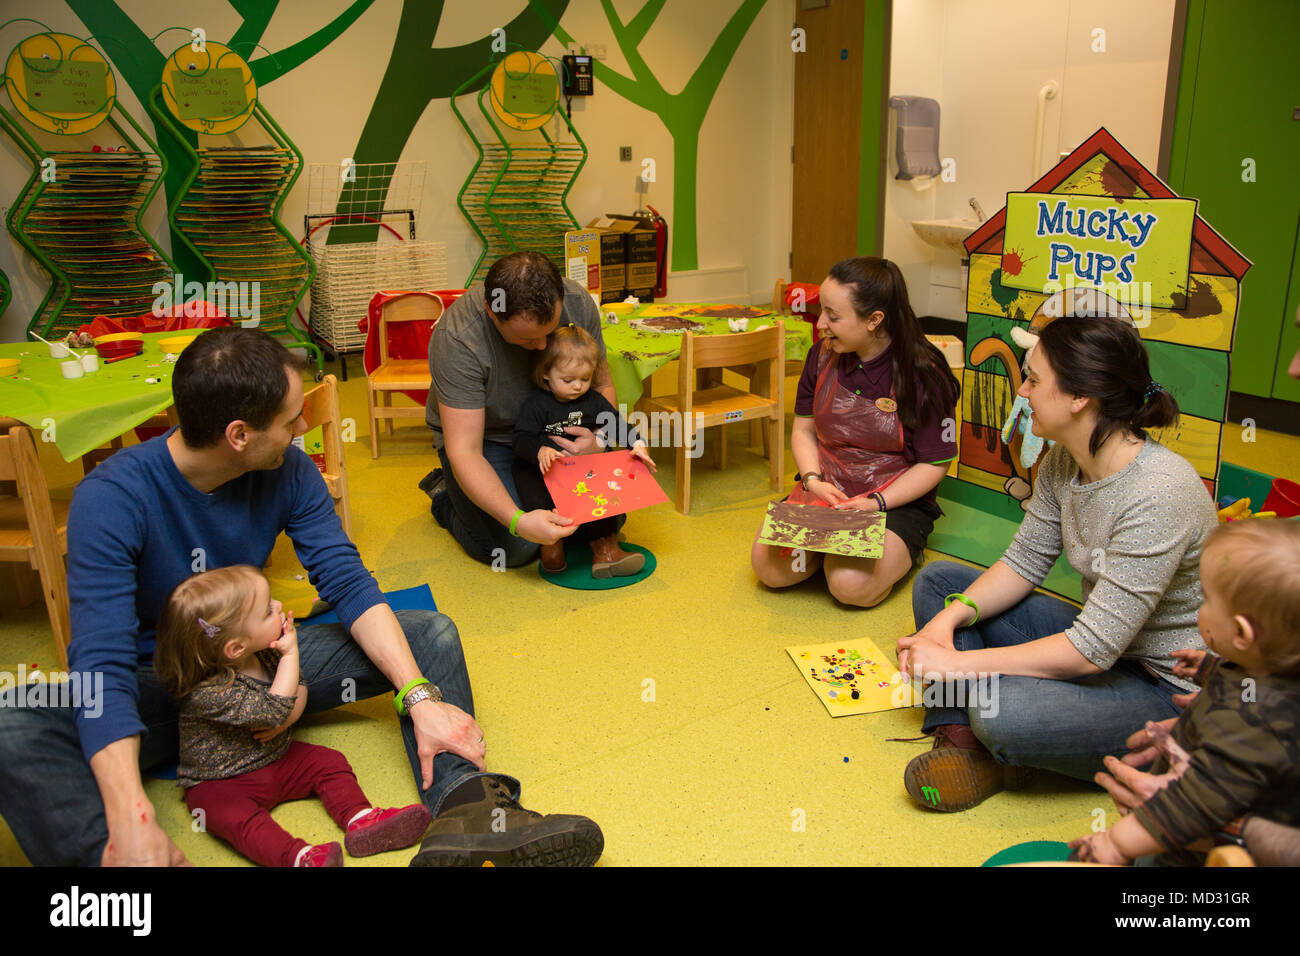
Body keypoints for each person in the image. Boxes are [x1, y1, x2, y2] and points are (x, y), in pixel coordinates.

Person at [0, 326, 603, 867]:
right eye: (290, 420)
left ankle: (468, 809)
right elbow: (99, 660)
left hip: (258, 665)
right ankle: (116, 871)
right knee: (11, 721)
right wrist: (132, 811)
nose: (301, 428)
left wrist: (421, 700)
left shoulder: (287, 469)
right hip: (160, 683)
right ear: (238, 435)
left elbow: (344, 580)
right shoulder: (113, 496)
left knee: (430, 634)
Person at [896, 313, 1217, 812]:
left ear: (1078, 398)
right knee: (940, 586)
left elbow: (1090, 650)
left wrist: (956, 662)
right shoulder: (1067, 458)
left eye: (1033, 379)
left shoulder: (1160, 492)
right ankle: (966, 741)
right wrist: (943, 627)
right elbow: (1024, 562)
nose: (1022, 392)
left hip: (1163, 690)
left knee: (1002, 711)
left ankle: (988, 743)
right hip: (1112, 648)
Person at [155, 566, 431, 867]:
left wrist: (286, 670)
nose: (278, 606)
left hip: (275, 757)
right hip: (221, 782)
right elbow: (277, 709)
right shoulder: (208, 693)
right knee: (234, 818)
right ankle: (298, 857)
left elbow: (297, 692)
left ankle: (361, 818)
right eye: (265, 612)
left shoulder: (263, 652)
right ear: (235, 648)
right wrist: (290, 655)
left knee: (328, 762)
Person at [1067, 520, 1300, 865]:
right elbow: (1247, 684)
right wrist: (1210, 669)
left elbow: (1194, 802)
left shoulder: (1246, 726)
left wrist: (1115, 844)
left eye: (1206, 599)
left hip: (1194, 849)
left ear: (1241, 633)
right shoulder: (1271, 674)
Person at [750, 256, 960, 607]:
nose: (819, 325)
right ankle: (829, 555)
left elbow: (936, 464)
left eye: (833, 316)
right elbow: (803, 431)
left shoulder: (924, 372)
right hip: (829, 489)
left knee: (849, 586)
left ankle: (859, 558)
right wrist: (813, 480)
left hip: (891, 500)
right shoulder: (821, 356)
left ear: (874, 320)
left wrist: (876, 502)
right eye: (821, 311)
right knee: (769, 569)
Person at [425, 251, 619, 567]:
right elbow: (466, 450)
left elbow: (601, 387)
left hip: (554, 428)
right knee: (518, 548)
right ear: (492, 311)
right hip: (489, 438)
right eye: (527, 339)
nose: (543, 347)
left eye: (550, 331)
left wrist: (598, 438)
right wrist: (517, 521)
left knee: (603, 521)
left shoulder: (577, 302)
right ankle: (445, 497)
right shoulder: (457, 338)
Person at [512, 324, 656, 576]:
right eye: (568, 380)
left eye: (585, 379)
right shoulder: (536, 404)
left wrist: (638, 444)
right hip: (542, 472)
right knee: (537, 497)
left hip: (581, 470)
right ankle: (551, 546)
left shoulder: (593, 401)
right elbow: (521, 437)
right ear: (546, 373)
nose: (578, 386)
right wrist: (540, 449)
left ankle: (606, 550)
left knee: (603, 496)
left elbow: (616, 423)